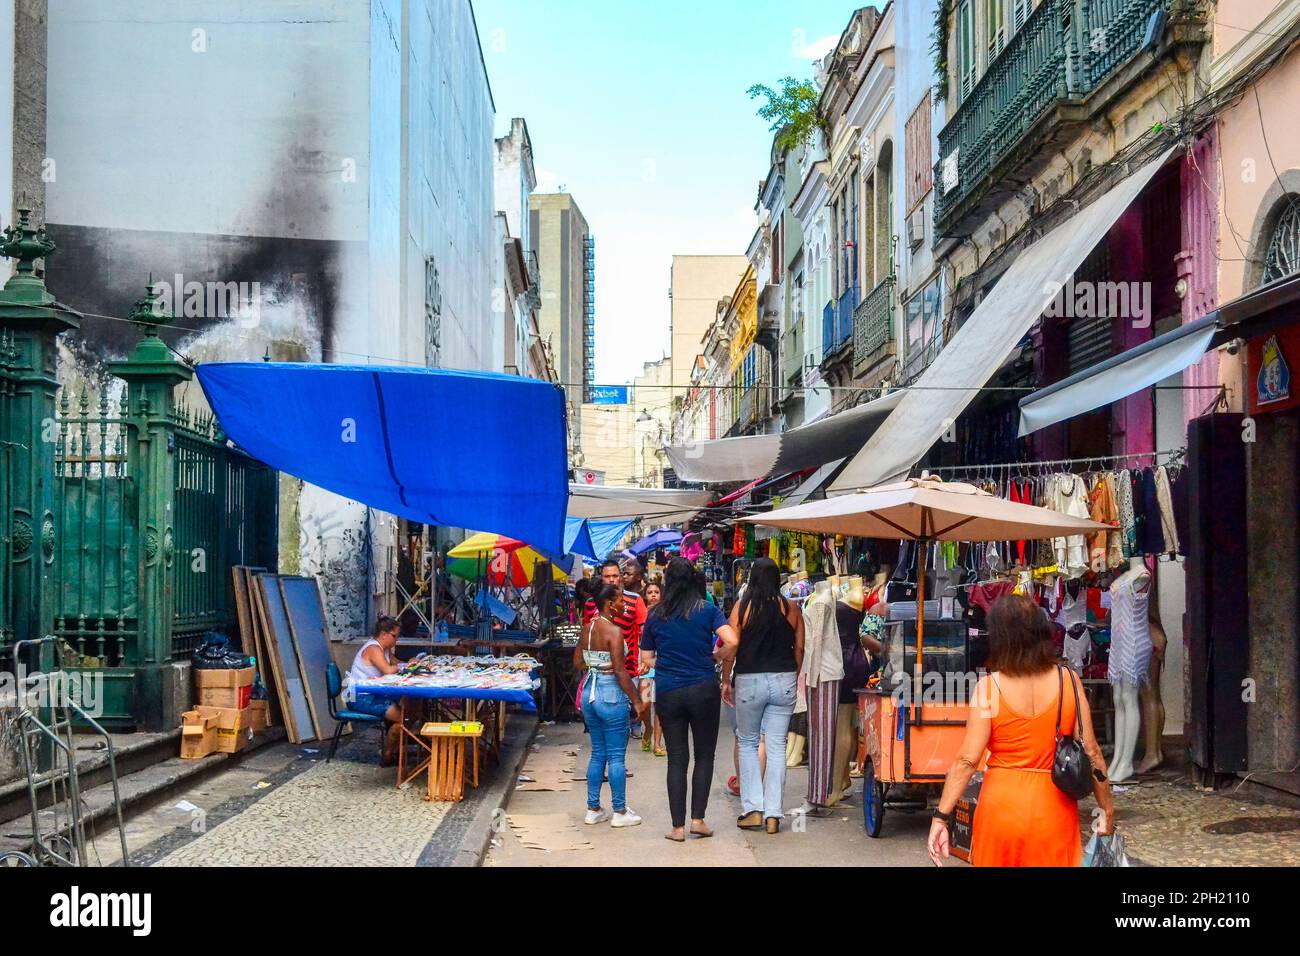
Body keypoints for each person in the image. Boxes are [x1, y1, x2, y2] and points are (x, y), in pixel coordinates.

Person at [927, 594, 1116, 867]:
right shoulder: (1069, 682)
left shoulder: (989, 688)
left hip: (1001, 809)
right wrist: (1106, 811)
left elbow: (967, 760)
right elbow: (1092, 752)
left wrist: (940, 817)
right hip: (1053, 810)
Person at [641, 557, 738, 842]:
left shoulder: (656, 613)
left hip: (670, 690)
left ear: (667, 582)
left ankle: (677, 828)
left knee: (677, 759)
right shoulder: (707, 609)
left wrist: (668, 661)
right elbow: (731, 640)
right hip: (703, 688)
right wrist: (715, 656)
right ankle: (698, 820)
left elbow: (646, 658)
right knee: (704, 755)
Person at [728, 557, 804, 833]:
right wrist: (792, 675)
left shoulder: (743, 607)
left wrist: (726, 679)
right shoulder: (791, 608)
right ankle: (774, 814)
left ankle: (753, 810)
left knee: (748, 743)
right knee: (776, 747)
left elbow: (732, 645)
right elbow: (800, 649)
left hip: (749, 680)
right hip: (783, 678)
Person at [575, 584, 646, 828]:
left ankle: (593, 808)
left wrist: (596, 663)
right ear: (609, 604)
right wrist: (637, 700)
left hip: (589, 693)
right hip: (610, 693)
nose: (624, 605)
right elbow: (620, 671)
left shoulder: (587, 628)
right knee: (616, 756)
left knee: (597, 752)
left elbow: (577, 662)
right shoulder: (614, 631)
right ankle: (619, 811)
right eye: (620, 601)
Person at [348, 614, 406, 764]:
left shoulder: (385, 649)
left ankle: (394, 745)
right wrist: (404, 666)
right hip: (360, 696)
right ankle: (388, 751)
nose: (396, 640)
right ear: (384, 634)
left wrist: (409, 663)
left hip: (375, 693)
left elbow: (397, 663)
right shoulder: (373, 648)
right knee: (402, 717)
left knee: (410, 706)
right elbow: (388, 669)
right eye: (394, 636)